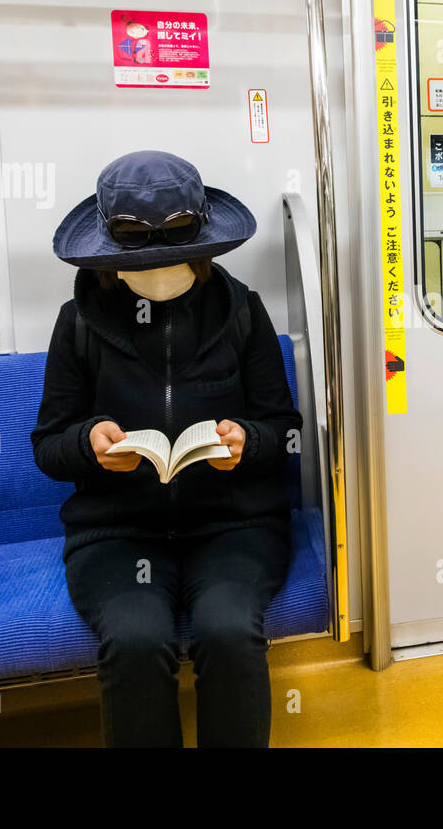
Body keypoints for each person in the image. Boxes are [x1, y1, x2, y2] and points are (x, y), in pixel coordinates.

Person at [30, 150, 300, 745]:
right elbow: (49, 444)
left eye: (174, 251)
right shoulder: (77, 323)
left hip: (235, 526)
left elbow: (285, 430)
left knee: (227, 630)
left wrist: (247, 442)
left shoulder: (244, 314)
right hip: (118, 531)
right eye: (143, 255)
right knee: (134, 638)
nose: (161, 269)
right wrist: (88, 445)